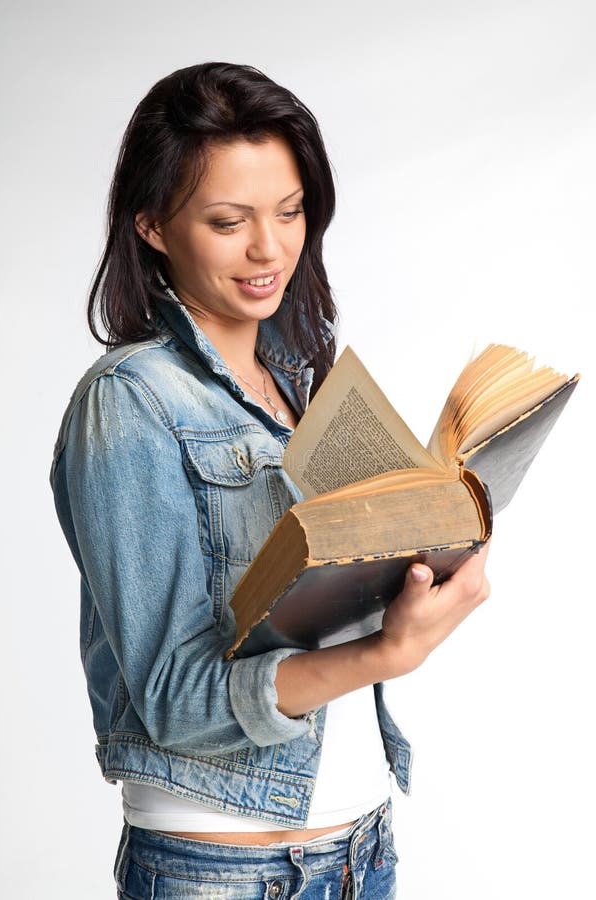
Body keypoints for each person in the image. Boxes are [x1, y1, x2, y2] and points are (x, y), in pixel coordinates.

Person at [50, 62, 490, 899]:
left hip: (362, 845)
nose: (269, 248)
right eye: (228, 220)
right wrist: (385, 651)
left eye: (289, 212)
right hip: (226, 867)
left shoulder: (301, 382)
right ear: (151, 225)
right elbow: (177, 697)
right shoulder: (128, 403)